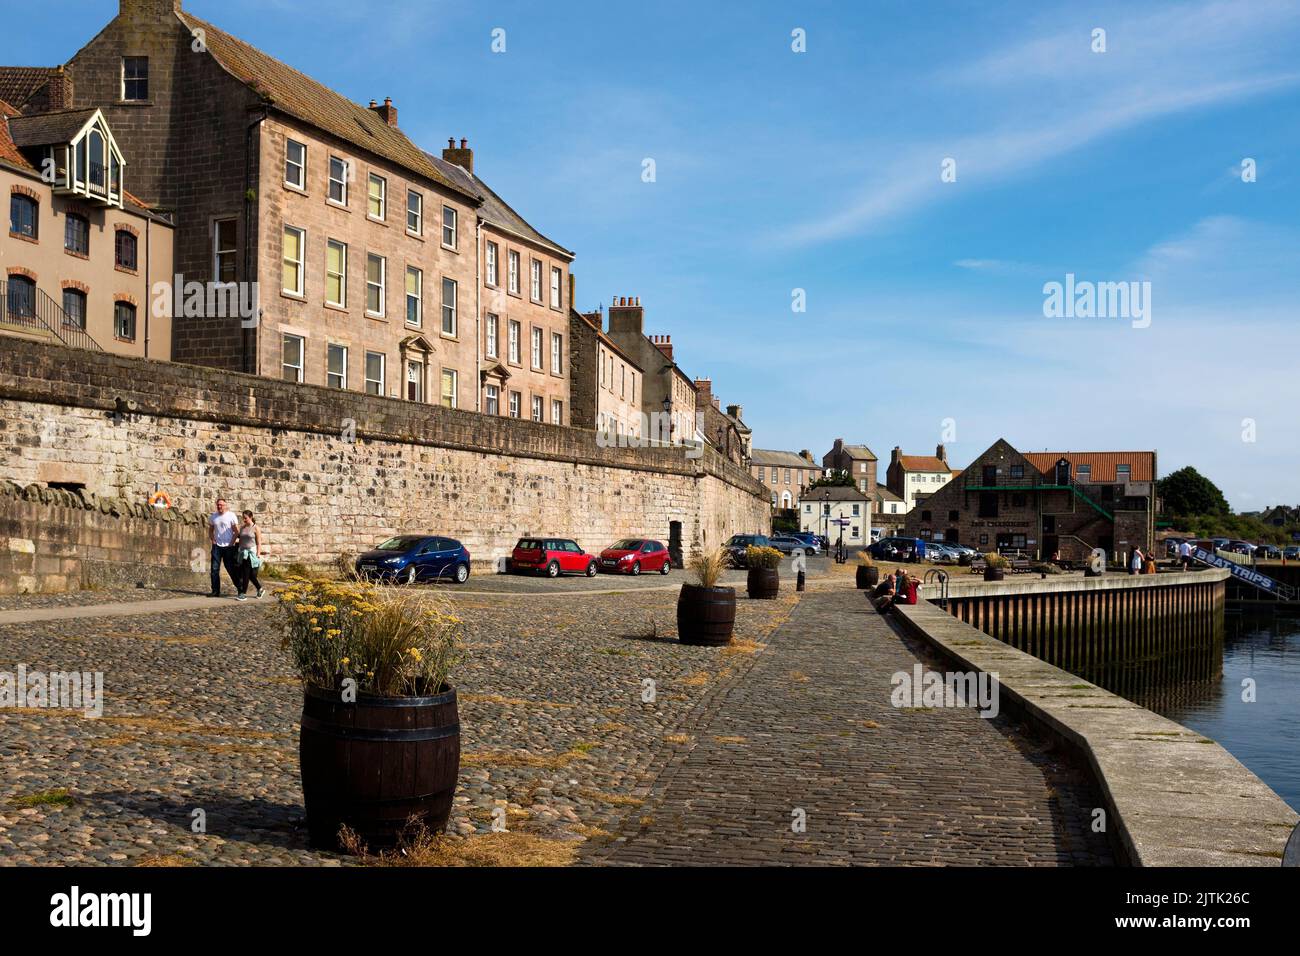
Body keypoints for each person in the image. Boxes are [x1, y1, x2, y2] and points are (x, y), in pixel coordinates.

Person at [208, 497, 240, 597]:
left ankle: (240, 588)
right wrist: (213, 540)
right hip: (217, 546)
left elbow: (236, 531)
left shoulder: (231, 516)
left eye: (221, 505)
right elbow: (210, 530)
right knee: (214, 569)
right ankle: (215, 591)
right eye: (218, 505)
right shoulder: (213, 517)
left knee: (231, 569)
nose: (219, 506)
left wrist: (232, 543)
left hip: (229, 547)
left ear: (225, 506)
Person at [235, 510, 266, 601]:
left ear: (251, 517)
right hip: (243, 552)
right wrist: (238, 548)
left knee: (246, 573)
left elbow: (259, 542)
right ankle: (260, 589)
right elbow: (241, 540)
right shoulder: (242, 528)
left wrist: (258, 554)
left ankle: (243, 594)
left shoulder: (256, 528)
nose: (244, 520)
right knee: (250, 574)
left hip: (251, 553)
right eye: (243, 518)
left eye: (246, 518)